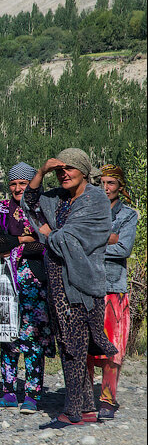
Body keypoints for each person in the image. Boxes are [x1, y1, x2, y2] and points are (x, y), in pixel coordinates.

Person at [25, 149, 117, 429]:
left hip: (82, 285)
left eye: (70, 169)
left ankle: (73, 411)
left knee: (75, 347)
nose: (64, 174)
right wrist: (40, 173)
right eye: (59, 170)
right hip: (58, 283)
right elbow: (29, 202)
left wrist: (46, 233)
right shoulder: (57, 199)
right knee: (69, 344)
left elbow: (71, 238)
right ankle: (86, 408)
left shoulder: (95, 200)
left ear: (84, 172)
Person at [0, 162, 53, 414]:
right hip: (7, 280)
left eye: (22, 183)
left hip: (35, 280)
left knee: (33, 338)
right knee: (7, 335)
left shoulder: (42, 209)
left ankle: (33, 395)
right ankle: (9, 392)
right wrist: (25, 239)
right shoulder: (3, 208)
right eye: (13, 183)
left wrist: (13, 247)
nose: (17, 188)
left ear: (31, 185)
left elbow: (46, 243)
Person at [87, 164, 138, 420]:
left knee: (112, 346)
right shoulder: (88, 210)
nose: (106, 188)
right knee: (84, 344)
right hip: (86, 285)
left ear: (120, 187)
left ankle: (107, 398)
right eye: (103, 183)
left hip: (113, 288)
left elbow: (124, 249)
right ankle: (85, 397)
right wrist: (107, 239)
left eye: (111, 184)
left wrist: (89, 244)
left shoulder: (128, 215)